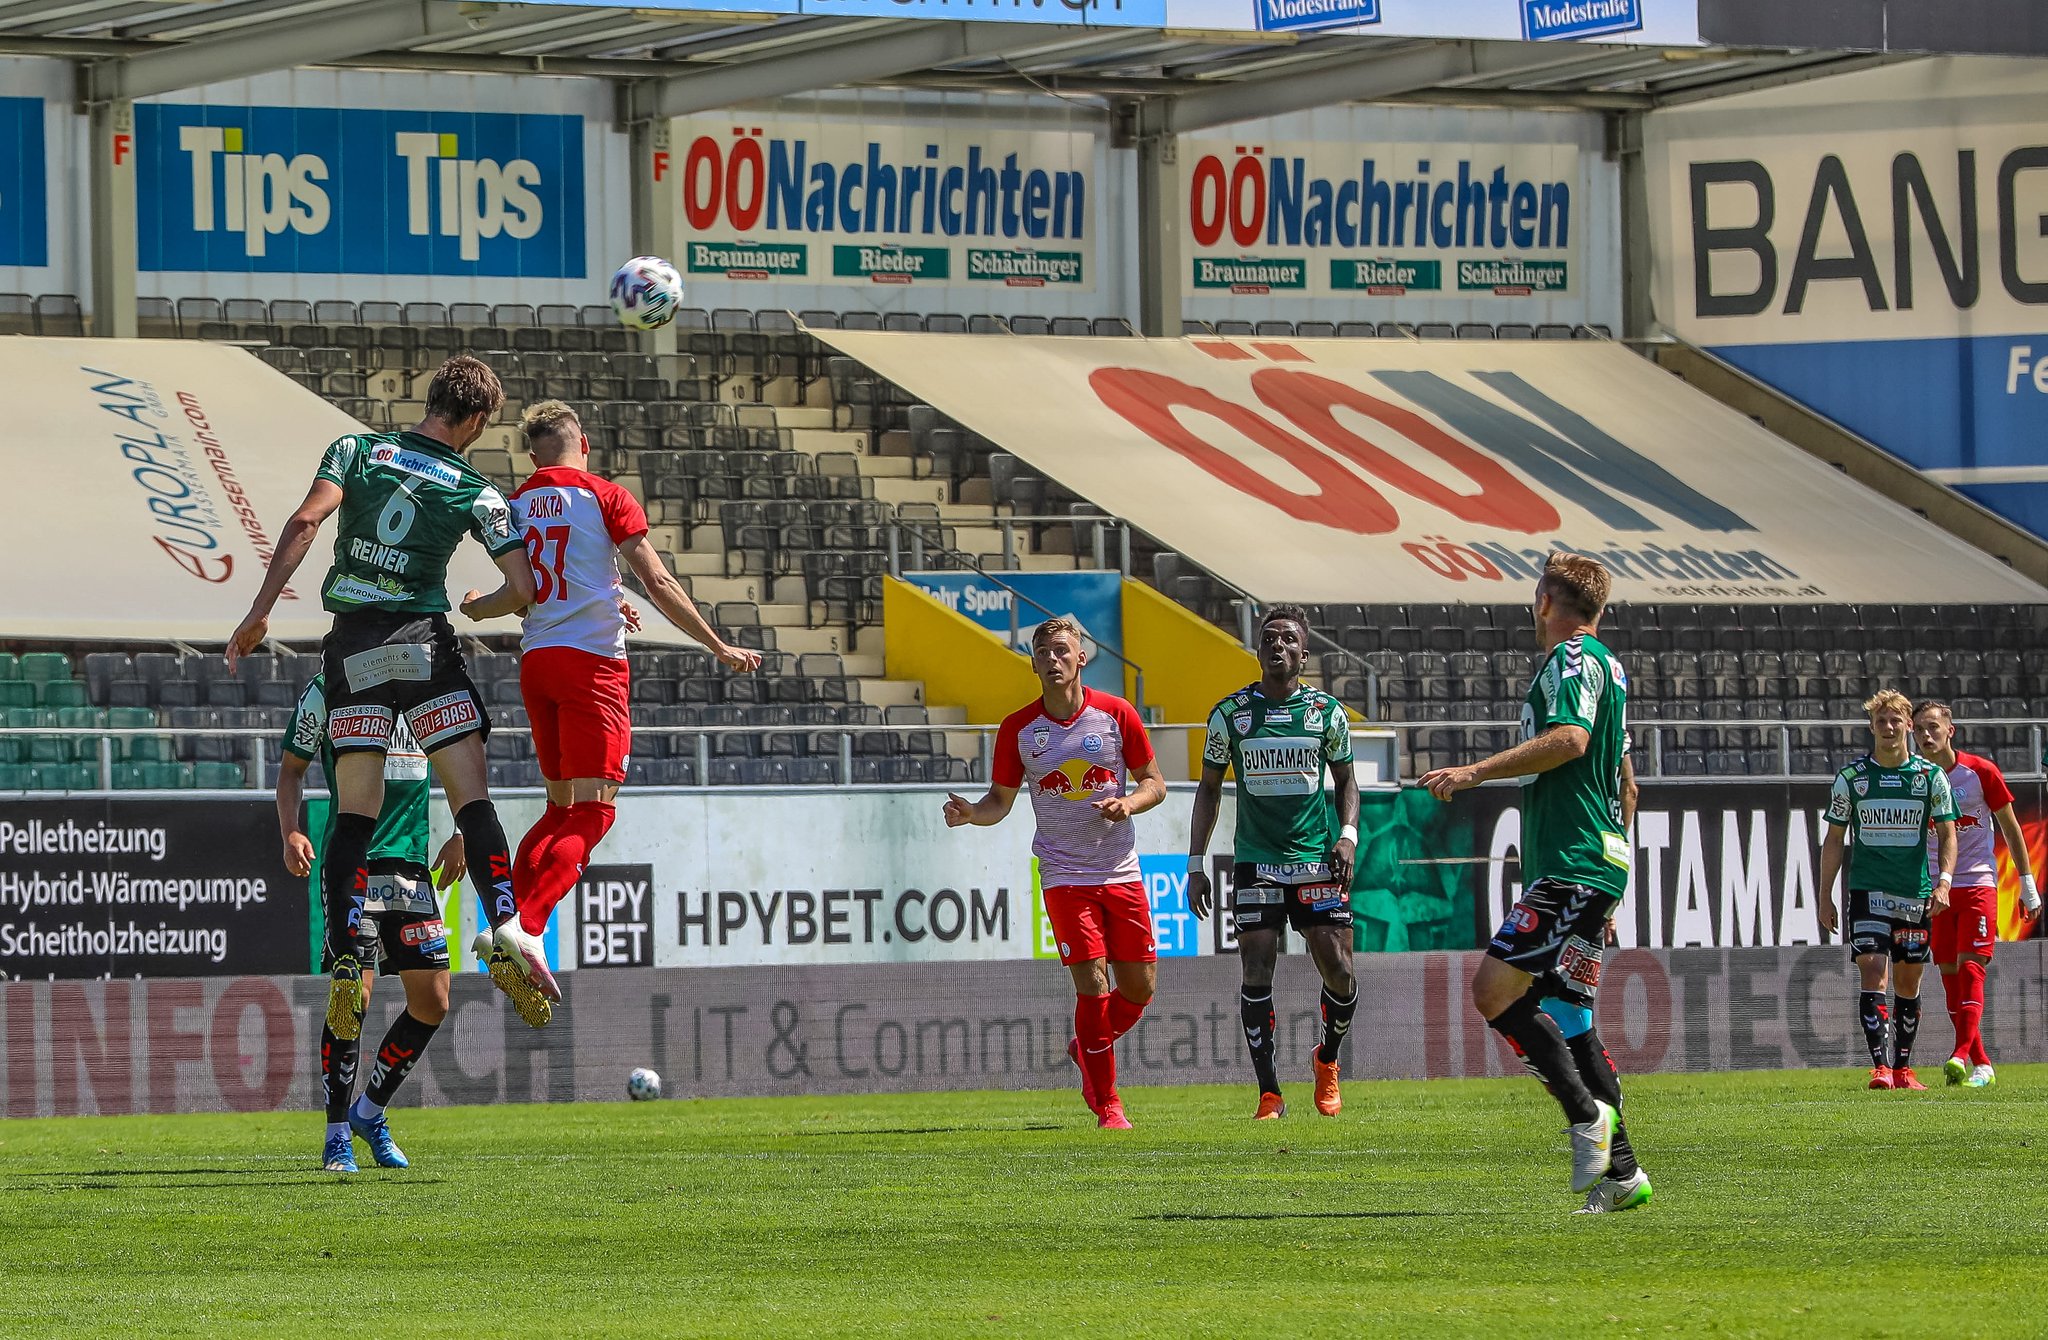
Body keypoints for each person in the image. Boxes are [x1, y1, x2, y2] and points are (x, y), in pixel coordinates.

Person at [228, 355, 540, 1040]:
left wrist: (259, 611)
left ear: (431, 397)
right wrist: (485, 608)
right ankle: (509, 927)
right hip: (425, 648)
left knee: (356, 815)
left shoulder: (356, 449)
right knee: (473, 799)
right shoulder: (476, 489)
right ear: (480, 420)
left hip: (356, 651)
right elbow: (522, 587)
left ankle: (347, 949)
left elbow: (306, 521)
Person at [485, 401, 761, 1011]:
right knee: (595, 814)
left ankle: (502, 922)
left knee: (559, 809)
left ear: (532, 455)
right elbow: (659, 581)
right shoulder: (605, 496)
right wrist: (717, 645)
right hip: (591, 667)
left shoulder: (513, 504)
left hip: (538, 663)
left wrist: (605, 601)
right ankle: (525, 928)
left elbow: (535, 588)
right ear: (582, 442)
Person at [1418, 552, 1651, 1214]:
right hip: (1592, 861)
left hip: (1576, 860)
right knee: (1572, 1016)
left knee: (1493, 990)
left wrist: (1472, 772)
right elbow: (1622, 780)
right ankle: (1624, 1176)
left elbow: (1572, 739)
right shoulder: (1609, 665)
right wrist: (1609, 881)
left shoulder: (1572, 658)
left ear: (1547, 601)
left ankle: (1585, 1117)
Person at [943, 617, 1166, 1129]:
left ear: (1081, 657)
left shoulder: (1117, 714)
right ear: (1034, 661)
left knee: (1139, 989)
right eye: (1042, 651)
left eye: (1062, 650)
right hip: (1064, 873)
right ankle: (1110, 1105)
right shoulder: (1019, 728)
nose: (1052, 658)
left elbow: (1155, 782)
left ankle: (1086, 1045)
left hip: (1120, 870)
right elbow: (1000, 800)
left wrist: (1129, 803)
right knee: (1091, 981)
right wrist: (972, 814)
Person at [280, 674, 463, 1173]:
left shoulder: (429, 686)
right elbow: (291, 770)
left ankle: (370, 1111)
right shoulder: (326, 687)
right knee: (351, 997)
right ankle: (336, 1133)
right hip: (352, 862)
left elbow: (460, 761)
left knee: (434, 1000)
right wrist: (291, 831)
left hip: (410, 865)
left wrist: (465, 831)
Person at [1185, 604, 1359, 1120]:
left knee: (1340, 971)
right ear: (1258, 650)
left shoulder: (1327, 713)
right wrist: (1196, 863)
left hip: (1314, 859)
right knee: (1257, 970)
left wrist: (1347, 835)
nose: (1277, 645)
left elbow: (1347, 780)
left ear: (1303, 654)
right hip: (1256, 863)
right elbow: (1209, 788)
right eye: (1268, 638)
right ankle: (1270, 1092)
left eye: (1287, 639)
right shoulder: (1230, 715)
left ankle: (1326, 1059)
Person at [1818, 690, 1958, 1092]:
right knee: (1874, 970)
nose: (1890, 727)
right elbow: (1834, 840)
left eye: (1896, 720)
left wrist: (1944, 881)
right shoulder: (1853, 778)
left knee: (1908, 981)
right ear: (1872, 727)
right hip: (1867, 889)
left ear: (1908, 726)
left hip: (1914, 892)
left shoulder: (1930, 778)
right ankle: (1879, 1067)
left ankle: (1903, 1068)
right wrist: (1825, 895)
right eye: (1882, 721)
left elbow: (1948, 834)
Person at [1910, 700, 2034, 1087]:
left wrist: (2028, 885)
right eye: (1919, 730)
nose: (1926, 735)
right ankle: (1981, 1063)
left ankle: (1960, 1053)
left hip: (1978, 882)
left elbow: (2011, 829)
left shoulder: (1980, 772)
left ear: (1951, 730)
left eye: (1933, 727)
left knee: (1971, 967)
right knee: (1948, 975)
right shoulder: (1915, 778)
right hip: (1936, 890)